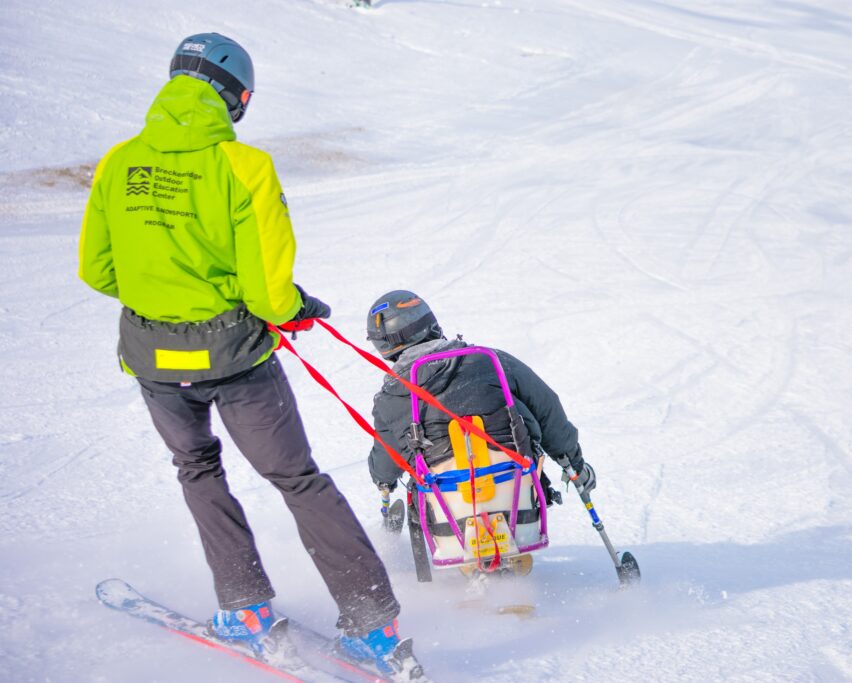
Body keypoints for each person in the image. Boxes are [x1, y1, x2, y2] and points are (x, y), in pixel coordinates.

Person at [78, 33, 423, 679]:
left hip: (155, 359)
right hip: (236, 356)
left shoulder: (117, 162)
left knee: (197, 468)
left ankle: (246, 610)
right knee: (296, 479)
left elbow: (96, 269)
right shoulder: (246, 166)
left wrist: (166, 295)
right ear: (233, 98)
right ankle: (374, 626)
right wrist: (290, 305)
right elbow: (268, 292)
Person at [364, 290, 596, 521]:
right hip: (519, 500)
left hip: (448, 518)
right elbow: (546, 409)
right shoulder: (488, 360)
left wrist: (383, 481)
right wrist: (573, 462)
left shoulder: (390, 398)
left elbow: (385, 461)